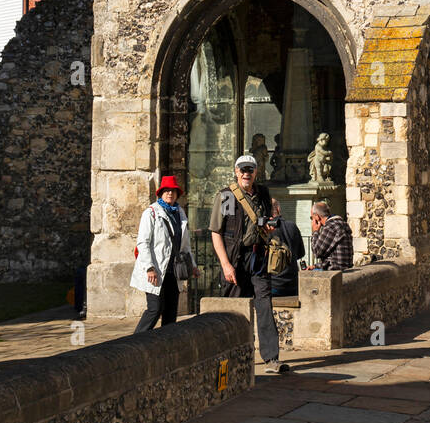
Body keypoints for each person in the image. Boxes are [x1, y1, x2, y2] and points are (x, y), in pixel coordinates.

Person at [209, 154, 288, 374]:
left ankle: (271, 358)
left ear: (255, 172)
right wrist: (225, 265)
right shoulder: (226, 197)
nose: (246, 174)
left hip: (258, 256)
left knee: (264, 304)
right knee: (233, 307)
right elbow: (216, 232)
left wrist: (269, 228)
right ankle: (229, 356)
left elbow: (263, 222)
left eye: (250, 170)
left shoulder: (263, 193)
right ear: (236, 172)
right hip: (235, 258)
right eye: (242, 170)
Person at [131, 175, 196, 332]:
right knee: (155, 308)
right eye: (166, 191)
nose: (170, 194)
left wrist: (192, 266)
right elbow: (143, 243)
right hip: (156, 269)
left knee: (171, 310)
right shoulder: (151, 212)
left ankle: (166, 344)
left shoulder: (180, 213)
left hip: (173, 270)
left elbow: (185, 245)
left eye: (173, 191)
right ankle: (135, 341)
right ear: (160, 193)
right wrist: (149, 267)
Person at [269, 198, 306, 297]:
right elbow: (301, 253)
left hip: (273, 283)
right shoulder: (292, 226)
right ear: (278, 209)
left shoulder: (266, 230)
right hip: (293, 282)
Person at [308, 200, 353, 271]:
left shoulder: (331, 227)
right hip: (342, 268)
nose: (312, 220)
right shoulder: (341, 223)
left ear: (317, 217)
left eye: (311, 217)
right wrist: (315, 266)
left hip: (335, 272)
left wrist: (315, 231)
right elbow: (333, 256)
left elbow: (317, 251)